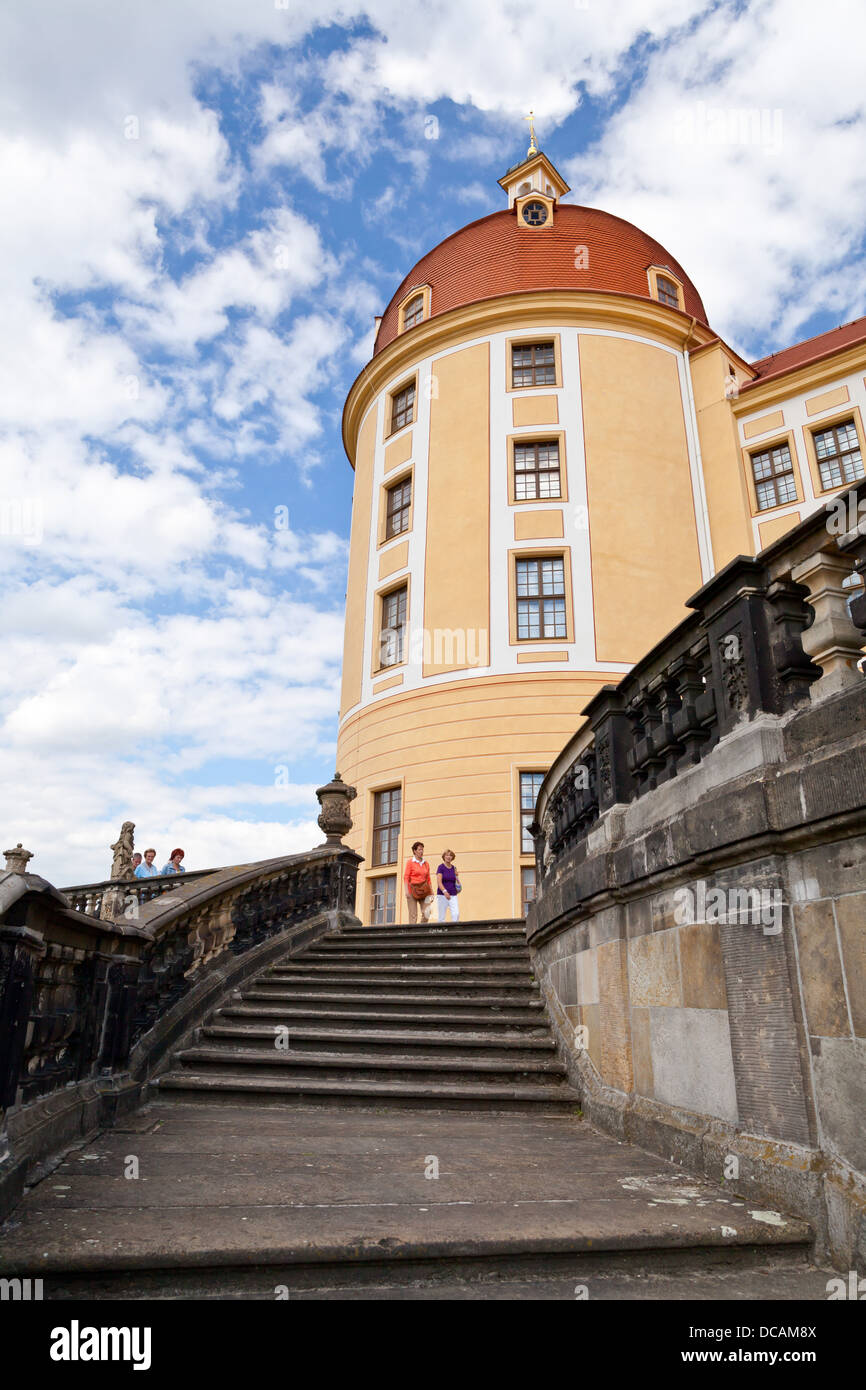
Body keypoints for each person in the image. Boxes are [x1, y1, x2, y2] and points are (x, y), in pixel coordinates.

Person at [403, 841, 434, 924]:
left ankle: (420, 930)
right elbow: (406, 877)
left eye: (422, 850)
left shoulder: (426, 863)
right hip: (412, 890)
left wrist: (431, 892)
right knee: (413, 915)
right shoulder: (410, 862)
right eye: (419, 850)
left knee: (427, 913)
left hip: (424, 890)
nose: (421, 851)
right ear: (414, 851)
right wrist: (406, 891)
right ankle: (412, 935)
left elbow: (428, 879)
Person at [436, 849, 461, 923]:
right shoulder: (441, 867)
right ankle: (441, 933)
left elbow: (457, 882)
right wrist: (445, 891)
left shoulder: (454, 868)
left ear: (452, 857)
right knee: (441, 917)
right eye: (447, 855)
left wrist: (457, 876)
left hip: (453, 894)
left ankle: (454, 932)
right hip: (442, 895)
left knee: (456, 914)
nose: (448, 857)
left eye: (450, 855)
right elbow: (439, 882)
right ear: (444, 857)